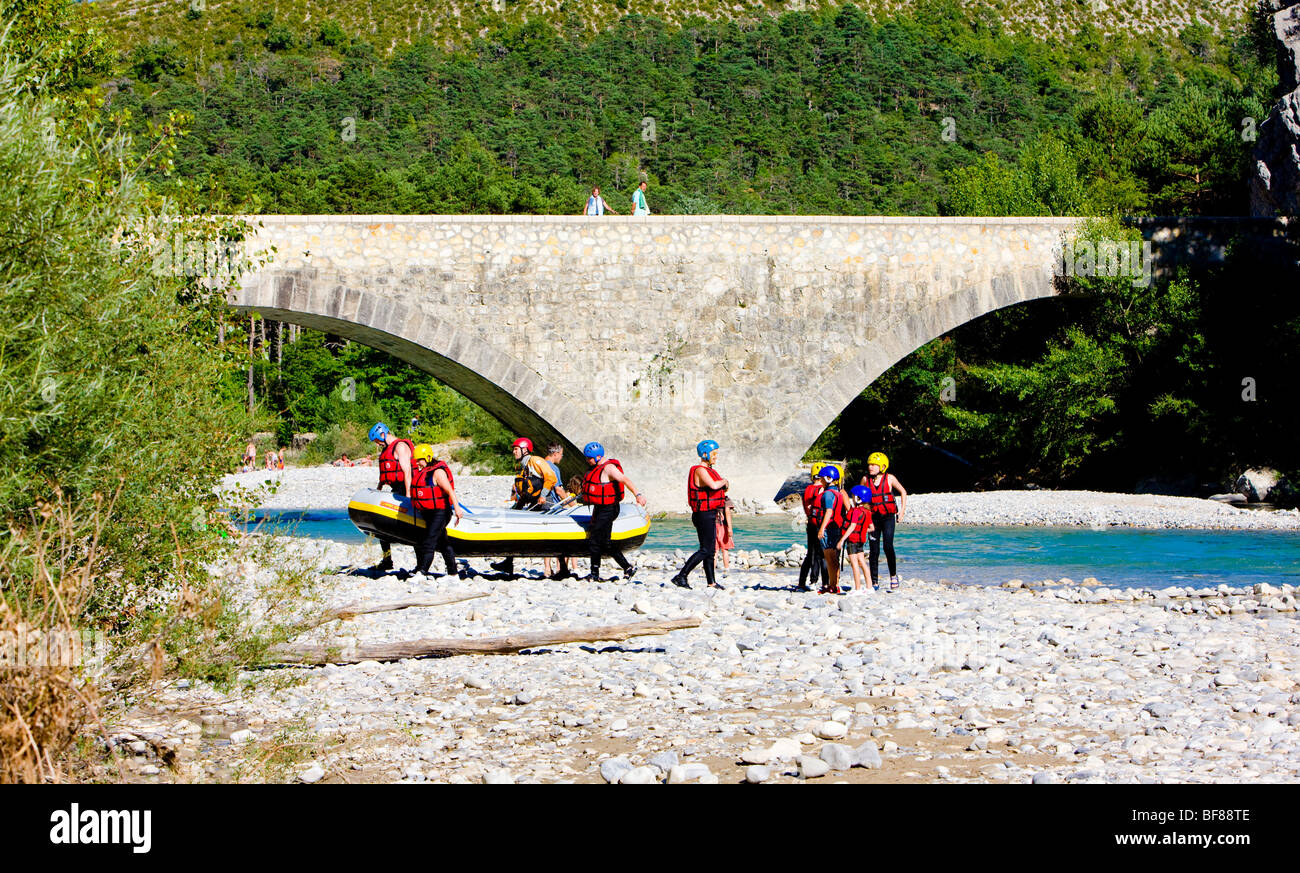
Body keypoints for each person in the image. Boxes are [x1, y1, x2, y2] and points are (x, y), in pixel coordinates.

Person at [491, 437, 560, 577]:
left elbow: (551, 477)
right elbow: (525, 492)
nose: (513, 452)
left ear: (525, 450)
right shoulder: (523, 468)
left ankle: (562, 568)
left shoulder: (535, 461)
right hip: (534, 503)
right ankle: (508, 562)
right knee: (514, 530)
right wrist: (516, 509)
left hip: (544, 502)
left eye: (516, 449)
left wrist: (543, 495)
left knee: (549, 536)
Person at [579, 441, 645, 581]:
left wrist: (637, 494)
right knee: (606, 542)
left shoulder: (609, 468)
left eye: (589, 458)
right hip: (600, 507)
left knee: (595, 540)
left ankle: (594, 574)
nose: (587, 461)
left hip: (609, 508)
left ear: (597, 457)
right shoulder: (595, 467)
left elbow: (624, 480)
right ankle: (628, 567)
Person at [671, 439, 728, 590]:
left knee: (711, 550)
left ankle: (712, 582)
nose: (716, 456)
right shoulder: (700, 470)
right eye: (713, 454)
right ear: (705, 454)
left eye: (717, 453)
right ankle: (681, 576)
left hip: (709, 513)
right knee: (706, 549)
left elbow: (717, 489)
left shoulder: (709, 470)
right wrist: (725, 481)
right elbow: (714, 485)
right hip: (703, 514)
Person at [410, 443, 466, 579]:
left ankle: (422, 572)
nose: (418, 463)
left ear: (428, 457)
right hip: (429, 513)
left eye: (420, 460)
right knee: (443, 542)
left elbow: (450, 491)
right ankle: (453, 573)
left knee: (429, 541)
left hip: (441, 512)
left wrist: (457, 509)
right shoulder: (424, 472)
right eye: (416, 461)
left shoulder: (438, 472)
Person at [369, 422, 414, 575]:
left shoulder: (400, 446)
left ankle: (421, 565)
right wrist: (379, 489)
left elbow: (407, 472)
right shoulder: (387, 449)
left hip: (407, 489)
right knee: (381, 523)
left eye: (376, 441)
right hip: (395, 489)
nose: (377, 444)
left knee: (413, 525)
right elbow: (385, 474)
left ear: (381, 434)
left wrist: (408, 495)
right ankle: (387, 560)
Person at [862, 452, 907, 592]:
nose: (871, 467)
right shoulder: (865, 479)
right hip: (873, 519)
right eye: (870, 464)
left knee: (888, 546)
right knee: (874, 550)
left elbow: (903, 492)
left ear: (882, 466)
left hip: (888, 517)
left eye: (874, 465)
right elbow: (860, 497)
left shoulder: (890, 478)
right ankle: (874, 581)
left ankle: (893, 576)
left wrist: (902, 511)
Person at [812, 465, 848, 595]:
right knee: (834, 559)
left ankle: (832, 585)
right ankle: (835, 584)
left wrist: (821, 529)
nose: (820, 480)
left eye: (821, 478)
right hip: (836, 527)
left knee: (829, 558)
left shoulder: (827, 494)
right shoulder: (838, 493)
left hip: (828, 528)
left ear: (828, 479)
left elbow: (828, 511)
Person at [541, 444, 574, 580]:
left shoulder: (539, 464)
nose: (561, 457)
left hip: (540, 505)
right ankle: (561, 568)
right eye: (561, 454)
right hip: (552, 506)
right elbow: (558, 490)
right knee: (560, 538)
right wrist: (571, 503)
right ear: (556, 454)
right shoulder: (553, 468)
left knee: (545, 538)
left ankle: (547, 569)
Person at [837, 486, 875, 593]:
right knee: (862, 562)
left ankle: (857, 588)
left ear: (859, 499)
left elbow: (852, 526)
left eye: (853, 497)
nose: (852, 499)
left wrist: (842, 540)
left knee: (854, 564)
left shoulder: (856, 512)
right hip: (860, 540)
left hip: (852, 541)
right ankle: (869, 586)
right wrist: (862, 531)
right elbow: (872, 528)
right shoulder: (867, 512)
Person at [798, 466, 828, 592]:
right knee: (821, 555)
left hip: (810, 523)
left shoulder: (807, 490)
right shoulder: (821, 490)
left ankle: (802, 581)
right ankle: (821, 582)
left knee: (811, 554)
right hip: (819, 524)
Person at [716, 496, 735, 573]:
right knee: (725, 549)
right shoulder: (726, 499)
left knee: (715, 550)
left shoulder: (713, 498)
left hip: (713, 526)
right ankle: (726, 568)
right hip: (722, 526)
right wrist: (730, 528)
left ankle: (711, 570)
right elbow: (727, 514)